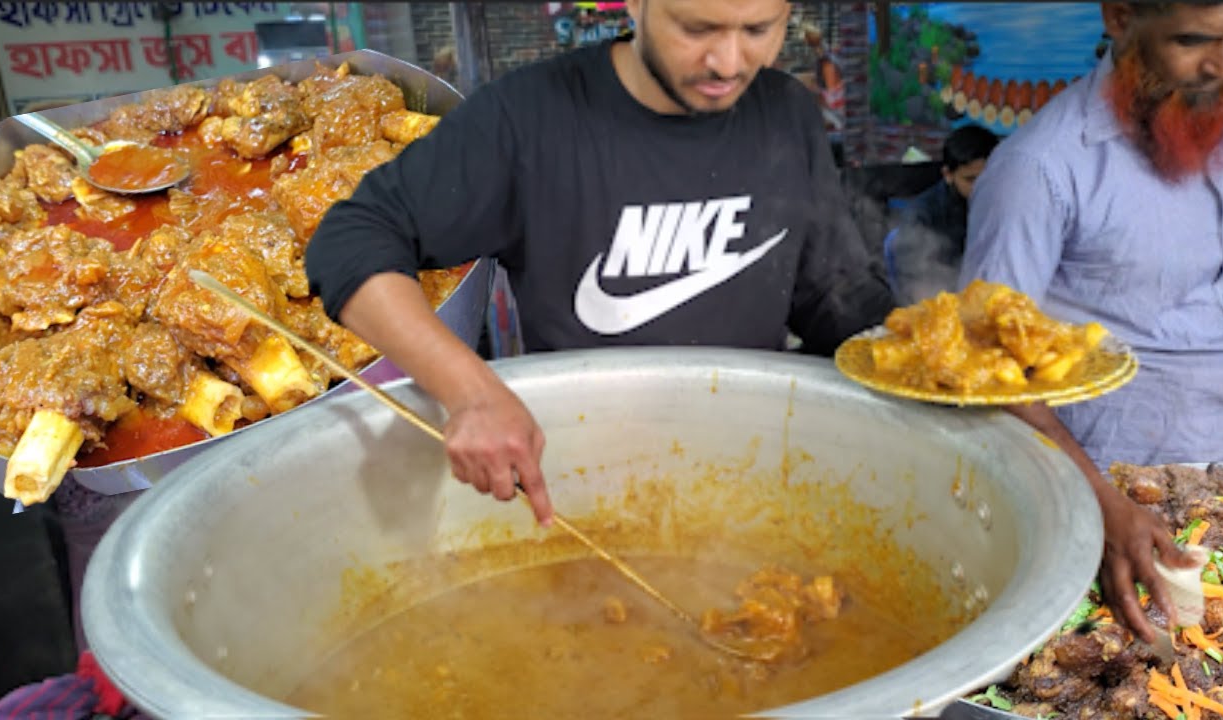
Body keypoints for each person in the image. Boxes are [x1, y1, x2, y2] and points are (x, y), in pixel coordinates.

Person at [305, 0, 894, 527]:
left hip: (759, 482)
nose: (729, 61)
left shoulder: (786, 112)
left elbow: (829, 294)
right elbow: (351, 238)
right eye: (697, 28)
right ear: (635, 6)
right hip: (581, 497)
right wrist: (471, 392)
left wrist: (916, 347)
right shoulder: (532, 117)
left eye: (760, 29)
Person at [959, 2, 1223, 645]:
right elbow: (982, 369)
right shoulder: (1039, 167)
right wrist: (1100, 507)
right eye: (1194, 40)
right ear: (1121, 16)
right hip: (1127, 501)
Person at [885, 124, 999, 304]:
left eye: (988, 177)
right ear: (948, 175)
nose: (980, 187)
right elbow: (916, 284)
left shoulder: (1003, 203)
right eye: (970, 179)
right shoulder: (921, 216)